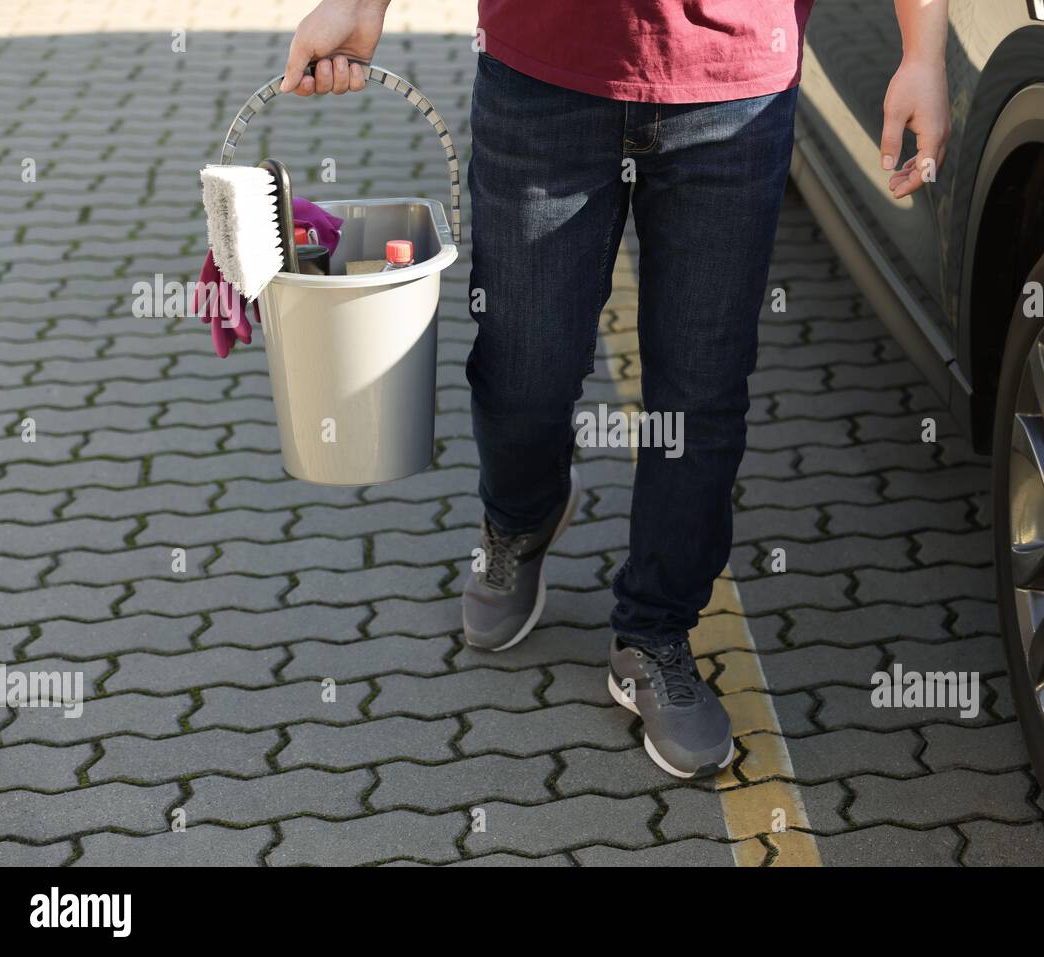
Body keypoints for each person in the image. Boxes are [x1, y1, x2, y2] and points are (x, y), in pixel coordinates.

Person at [281, 0, 950, 778]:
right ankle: (521, 522)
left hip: (734, 82)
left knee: (700, 391)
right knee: (523, 365)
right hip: (545, 71)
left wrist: (923, 54)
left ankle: (655, 634)